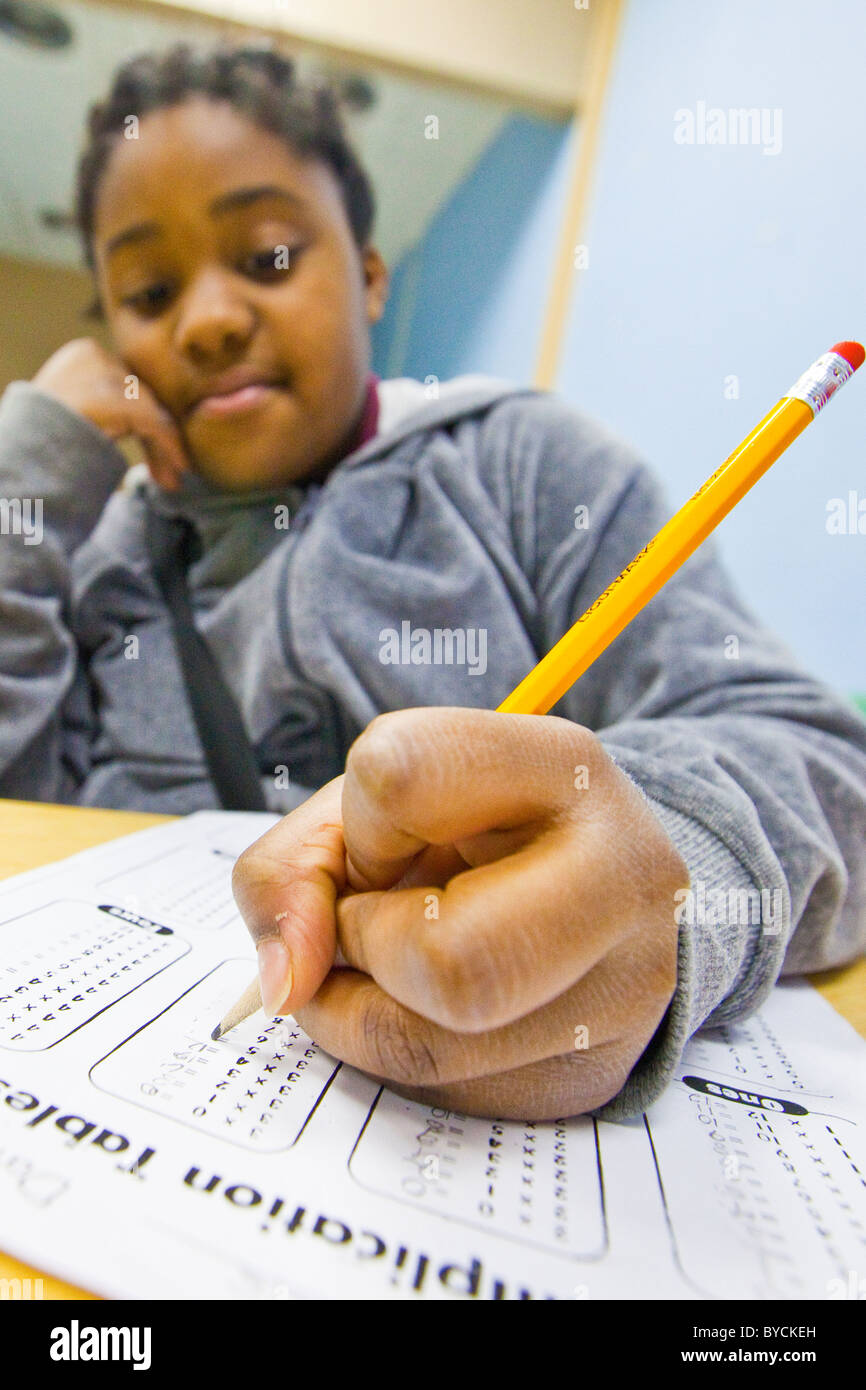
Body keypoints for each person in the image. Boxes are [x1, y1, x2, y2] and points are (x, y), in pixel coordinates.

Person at [1, 44, 864, 1122]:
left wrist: (671, 879)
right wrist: (28, 469)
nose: (208, 319)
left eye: (267, 257)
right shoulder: (94, 555)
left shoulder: (525, 467)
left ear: (369, 276)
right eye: (147, 289)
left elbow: (820, 760)